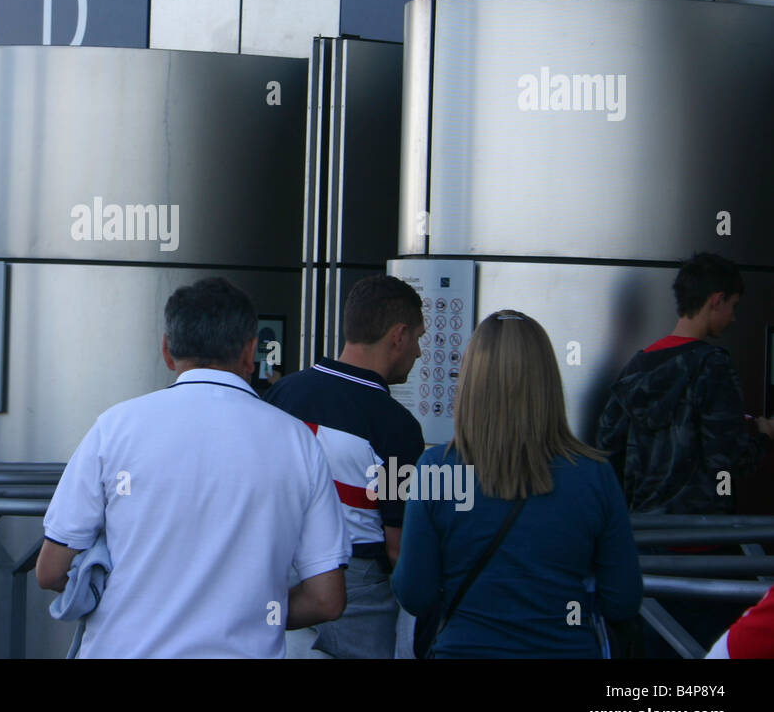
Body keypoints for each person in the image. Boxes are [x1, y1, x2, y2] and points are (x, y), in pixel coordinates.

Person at [34, 277, 348, 658]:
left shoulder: (115, 427)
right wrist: (246, 616)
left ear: (167, 351)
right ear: (251, 352)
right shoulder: (298, 443)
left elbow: (50, 572)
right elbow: (326, 600)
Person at [392, 311, 643, 658]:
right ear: (548, 382)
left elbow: (415, 595)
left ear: (470, 382)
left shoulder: (437, 470)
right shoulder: (593, 473)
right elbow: (623, 601)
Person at [264, 274, 425, 659]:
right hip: (359, 594)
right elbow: (397, 548)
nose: (419, 352)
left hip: (276, 570)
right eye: (419, 337)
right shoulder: (398, 427)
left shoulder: (282, 394)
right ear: (398, 335)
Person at [597, 252, 774, 514]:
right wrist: (764, 436)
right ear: (717, 300)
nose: (733, 318)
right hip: (700, 538)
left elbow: (607, 451)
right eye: (733, 306)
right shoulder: (714, 367)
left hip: (644, 535)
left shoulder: (636, 368)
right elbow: (728, 462)